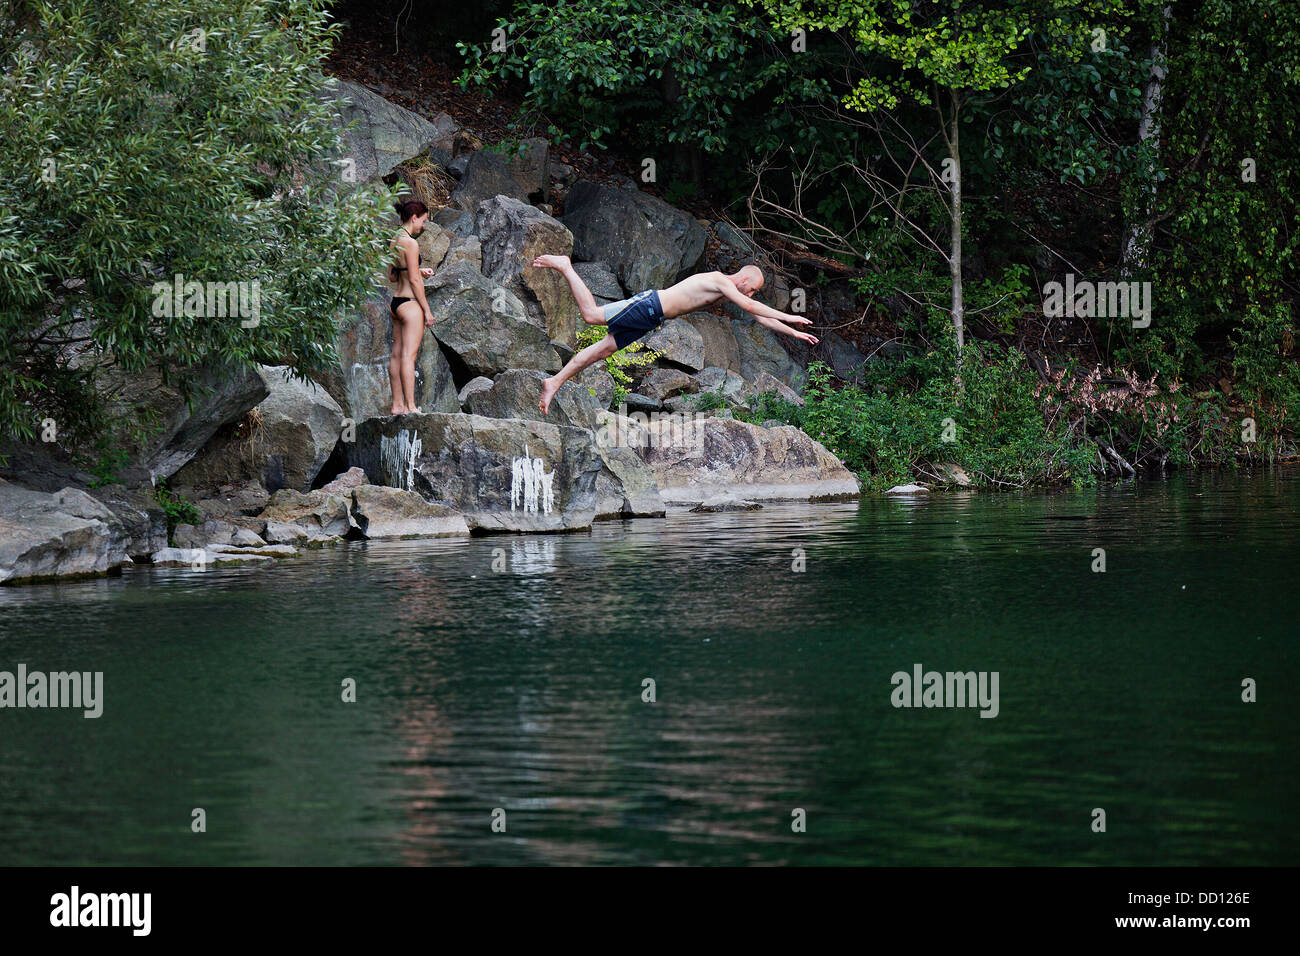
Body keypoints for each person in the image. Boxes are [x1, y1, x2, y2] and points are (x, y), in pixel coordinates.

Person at [530, 256, 818, 414]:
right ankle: (565, 265)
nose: (752, 294)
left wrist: (793, 331)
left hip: (652, 318)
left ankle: (553, 382)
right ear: (744, 280)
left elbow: (759, 315)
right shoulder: (719, 280)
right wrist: (790, 314)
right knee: (591, 315)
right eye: (753, 288)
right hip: (649, 305)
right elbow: (750, 304)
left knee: (603, 350)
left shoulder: (726, 291)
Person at [388, 199, 435, 415]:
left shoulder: (395, 239)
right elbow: (415, 282)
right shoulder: (412, 243)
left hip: (396, 303)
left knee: (396, 355)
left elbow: (392, 275)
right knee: (409, 356)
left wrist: (417, 269)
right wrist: (427, 310)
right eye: (423, 221)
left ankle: (397, 405)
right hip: (410, 304)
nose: (423, 226)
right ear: (414, 217)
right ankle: (411, 406)